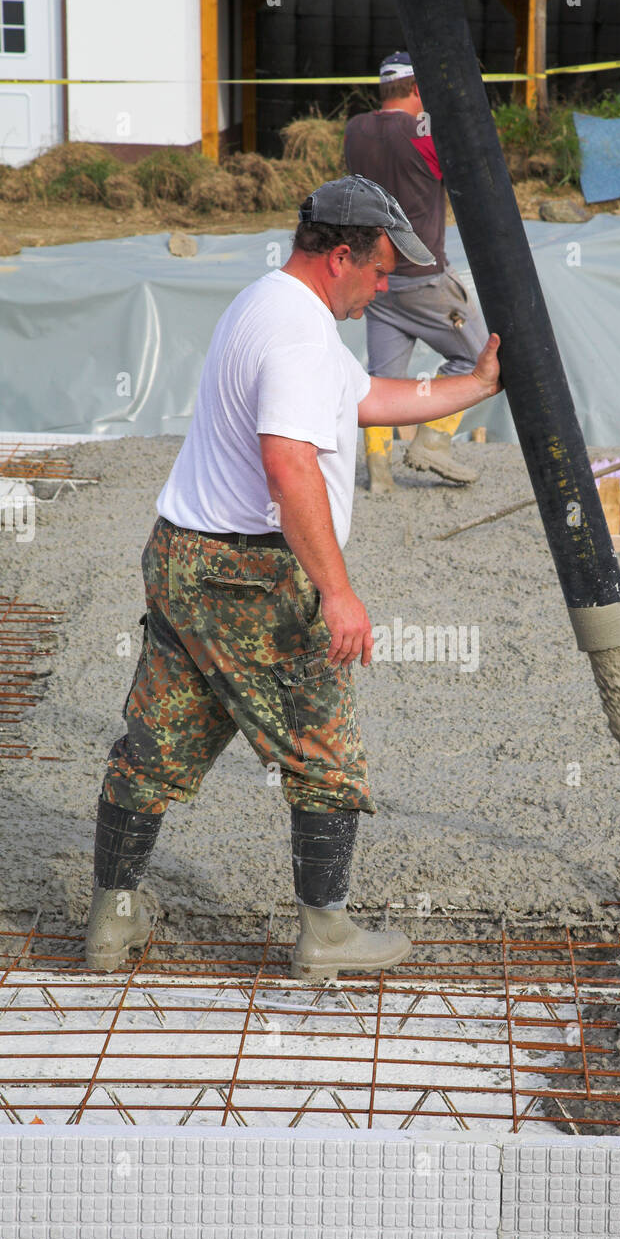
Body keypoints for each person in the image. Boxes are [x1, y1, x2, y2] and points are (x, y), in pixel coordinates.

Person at [84, 174, 501, 981]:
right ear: (340, 254)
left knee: (157, 743)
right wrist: (338, 592)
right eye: (379, 271)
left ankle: (111, 922)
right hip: (253, 578)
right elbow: (289, 460)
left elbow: (367, 396)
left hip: (183, 557)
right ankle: (327, 934)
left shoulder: (267, 302)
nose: (384, 287)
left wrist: (475, 386)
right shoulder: (304, 338)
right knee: (323, 752)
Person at [345, 50, 490, 494]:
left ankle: (379, 469)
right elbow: (469, 175)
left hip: (375, 281)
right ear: (417, 89)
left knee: (380, 383)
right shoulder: (427, 133)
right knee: (482, 357)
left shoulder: (355, 130)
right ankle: (433, 441)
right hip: (424, 280)